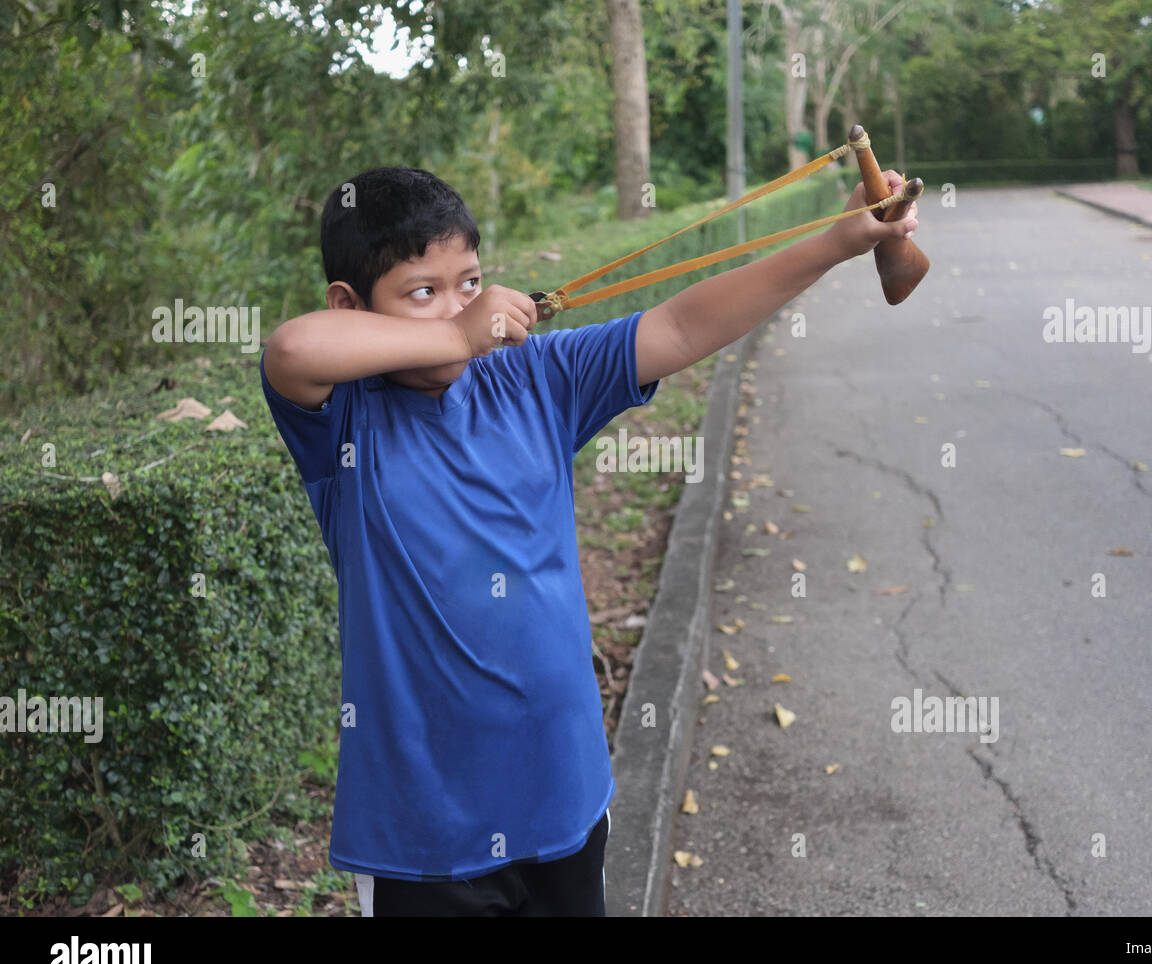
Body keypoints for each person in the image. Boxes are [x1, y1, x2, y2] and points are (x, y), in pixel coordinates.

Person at [259, 165, 918, 917]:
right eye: (422, 291)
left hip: (561, 795)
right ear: (351, 303)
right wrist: (452, 331)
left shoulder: (535, 377)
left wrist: (833, 243)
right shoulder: (343, 419)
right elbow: (291, 349)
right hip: (422, 836)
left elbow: (677, 326)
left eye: (470, 283)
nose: (459, 308)